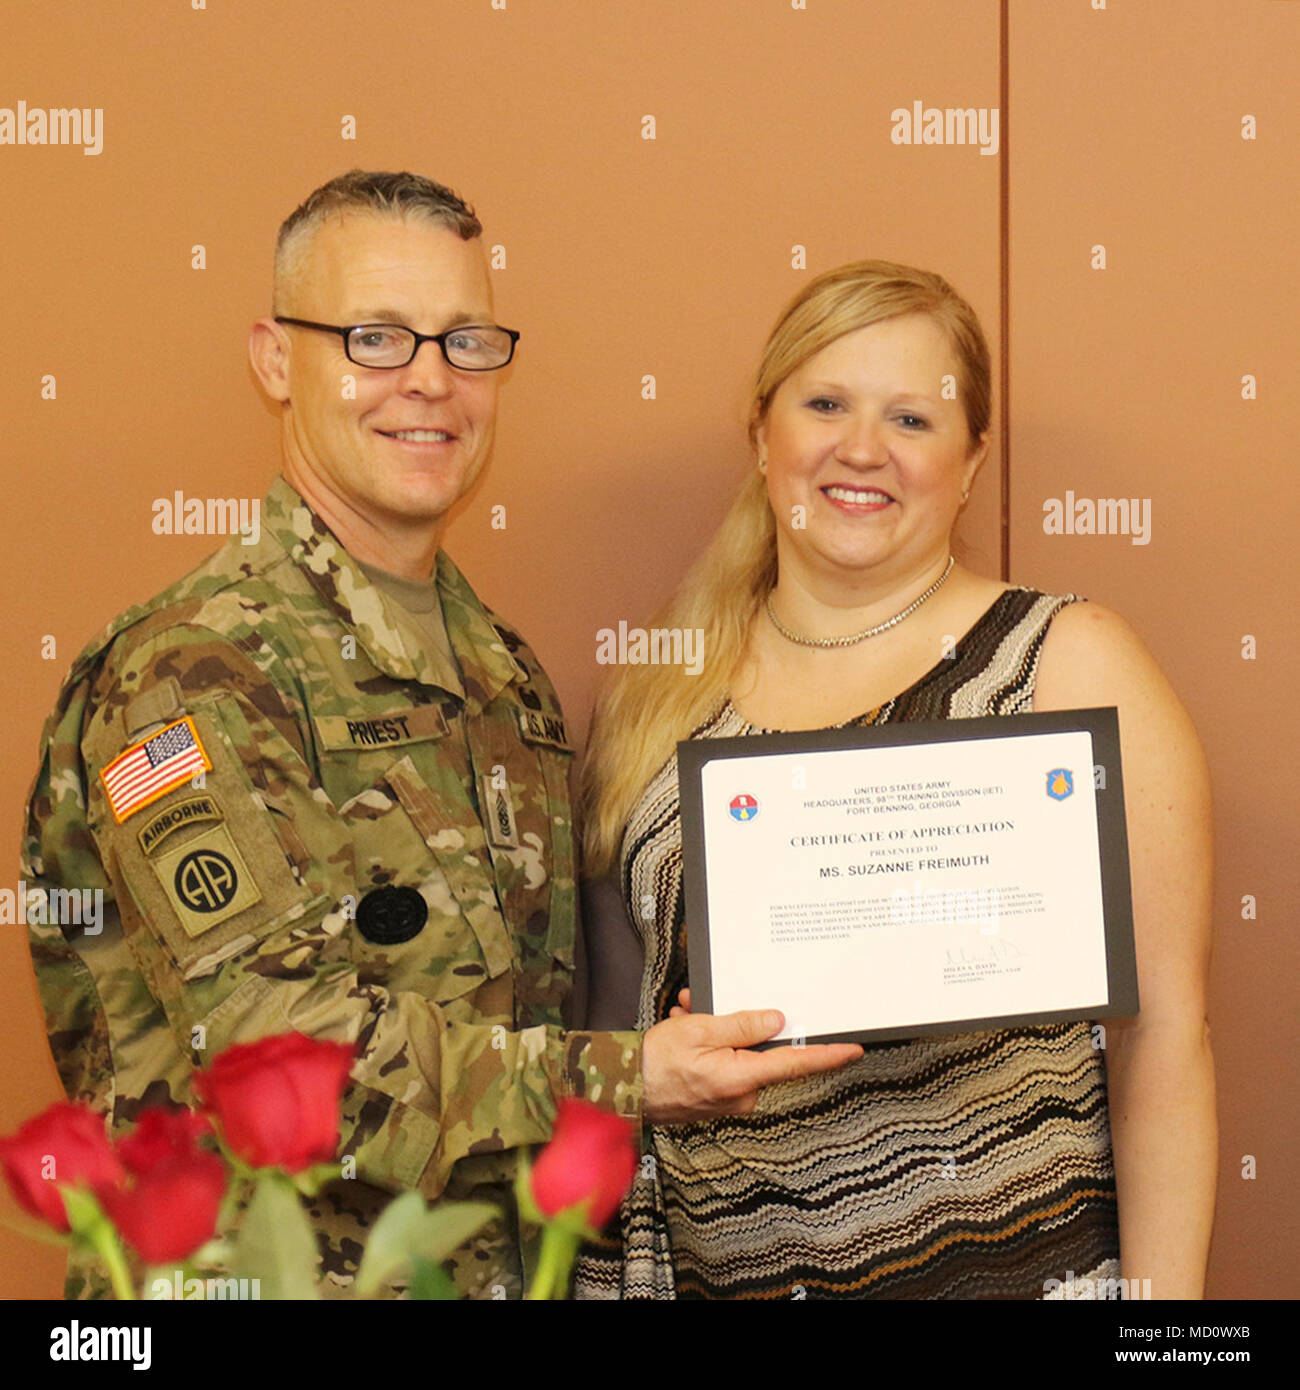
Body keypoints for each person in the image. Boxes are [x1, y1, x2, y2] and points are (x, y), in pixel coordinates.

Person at [19, 170, 864, 1300]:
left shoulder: (500, 675)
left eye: (466, 340)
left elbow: (532, 1011)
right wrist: (626, 1076)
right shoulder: (189, 671)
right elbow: (273, 1047)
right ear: (276, 360)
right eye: (375, 337)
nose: (429, 380)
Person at [573, 260, 1216, 1300]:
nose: (861, 448)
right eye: (825, 403)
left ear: (970, 461)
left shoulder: (1066, 662)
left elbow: (1165, 1037)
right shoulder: (651, 700)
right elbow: (608, 1046)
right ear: (760, 434)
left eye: (912, 418)